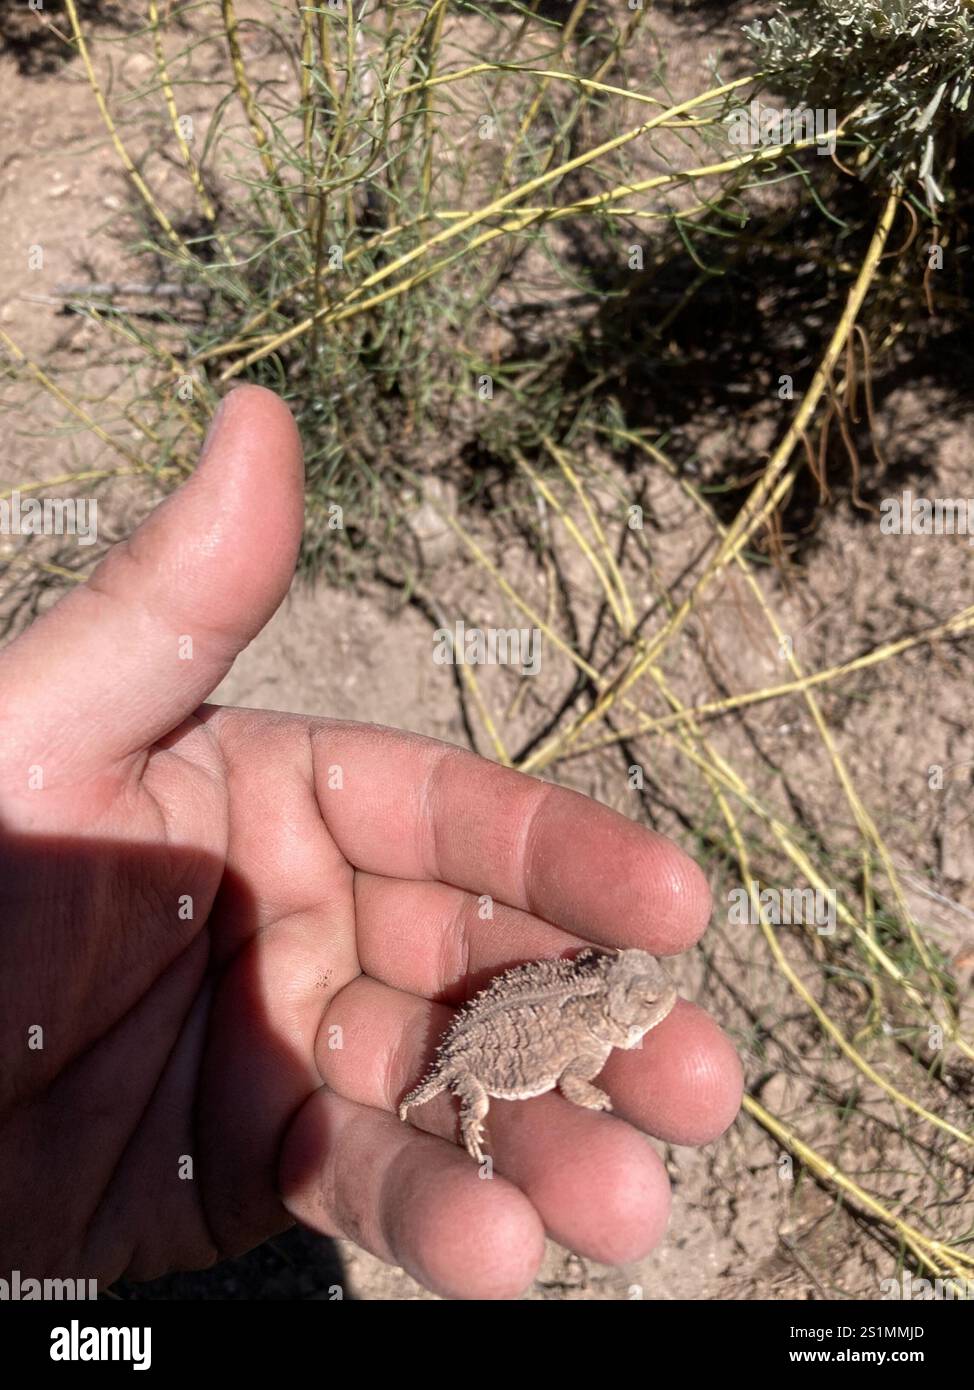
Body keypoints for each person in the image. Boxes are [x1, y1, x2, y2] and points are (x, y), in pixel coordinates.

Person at [0, 386, 742, 1300]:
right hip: (481, 1054)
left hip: (477, 1038)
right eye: (639, 994)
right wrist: (575, 1089)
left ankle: (453, 1096)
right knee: (488, 1112)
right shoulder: (589, 1049)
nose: (646, 999)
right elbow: (582, 1090)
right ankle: (459, 1103)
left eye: (638, 992)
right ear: (612, 1001)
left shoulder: (587, 1006)